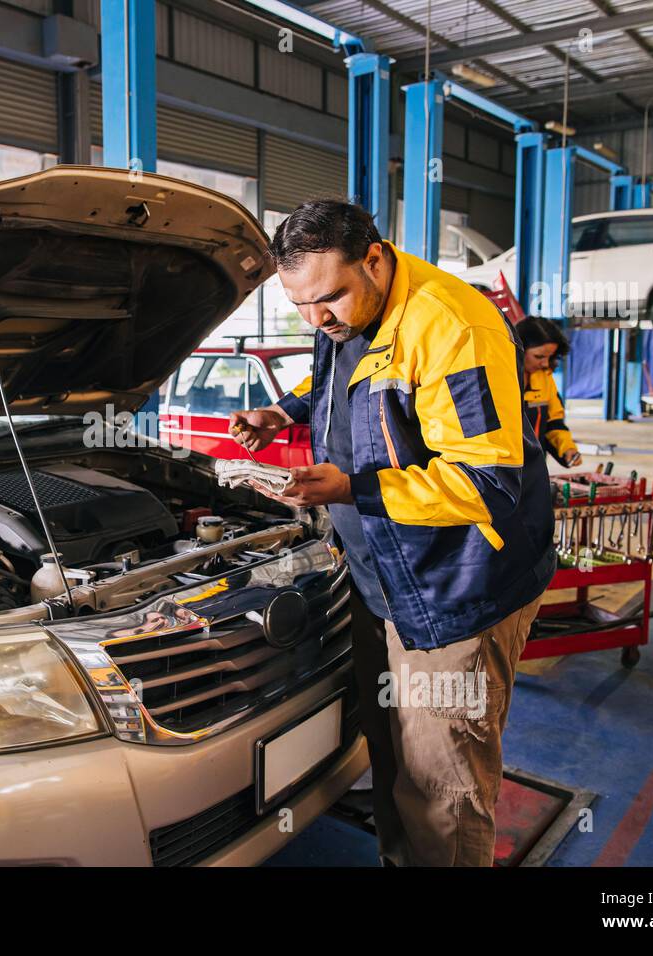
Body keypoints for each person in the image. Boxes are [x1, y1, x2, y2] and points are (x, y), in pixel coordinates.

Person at [229, 200, 555, 867]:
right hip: (378, 577)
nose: (316, 320)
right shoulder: (346, 311)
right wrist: (283, 411)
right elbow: (341, 376)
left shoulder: (452, 324)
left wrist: (353, 488)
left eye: (327, 300)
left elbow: (487, 484)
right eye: (299, 306)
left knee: (442, 780)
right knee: (390, 750)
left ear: (374, 259)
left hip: (456, 588)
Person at [517, 316, 582, 468]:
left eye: (549, 357)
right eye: (539, 356)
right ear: (519, 350)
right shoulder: (498, 378)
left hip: (534, 468)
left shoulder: (544, 378)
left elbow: (553, 422)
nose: (545, 363)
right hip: (503, 470)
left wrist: (567, 449)